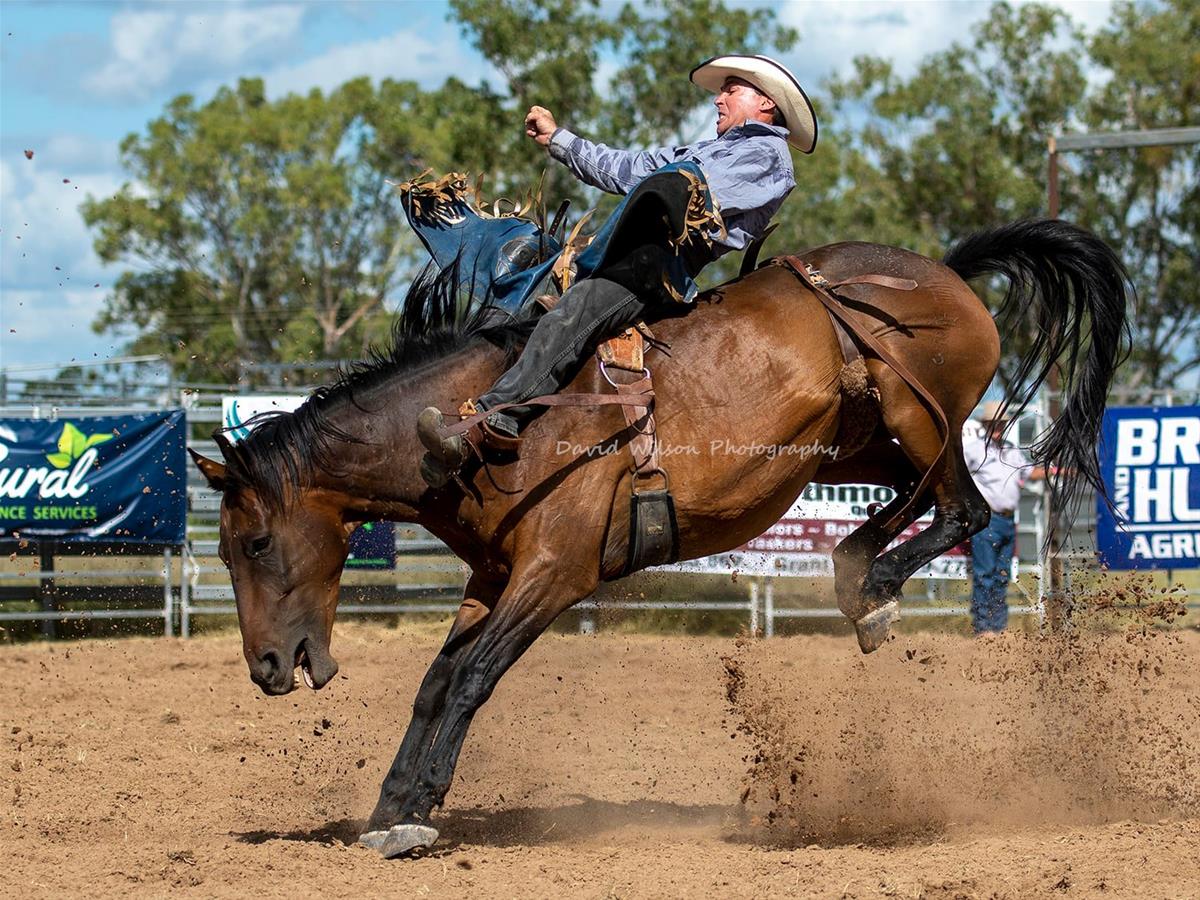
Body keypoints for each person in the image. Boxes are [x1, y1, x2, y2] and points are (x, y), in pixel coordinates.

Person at [417, 54, 816, 486]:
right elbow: (632, 169)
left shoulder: (767, 153)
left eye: (730, 90)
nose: (718, 99)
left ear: (766, 105)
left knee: (580, 309)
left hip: (659, 267)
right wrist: (558, 140)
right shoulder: (708, 149)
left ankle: (495, 421)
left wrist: (669, 183)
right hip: (625, 252)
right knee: (518, 272)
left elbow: (688, 188)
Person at [962, 401, 1045, 635]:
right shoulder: (974, 450)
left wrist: (1060, 470)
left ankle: (996, 627)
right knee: (985, 574)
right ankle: (983, 627)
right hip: (988, 519)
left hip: (1008, 520)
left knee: (1000, 575)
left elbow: (1031, 473)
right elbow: (958, 475)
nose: (998, 428)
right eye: (994, 424)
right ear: (986, 426)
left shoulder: (1011, 450)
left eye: (1001, 424)